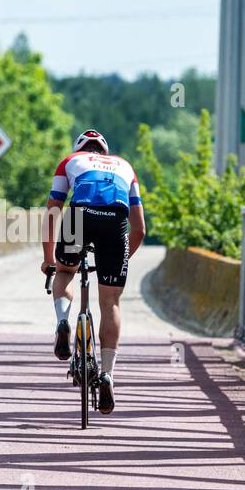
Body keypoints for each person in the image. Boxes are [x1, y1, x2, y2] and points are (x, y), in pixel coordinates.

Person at [41, 129, 145, 414]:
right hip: (115, 220)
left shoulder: (70, 161)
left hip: (80, 214)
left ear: (81, 148)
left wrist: (48, 258)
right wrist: (121, 259)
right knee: (110, 301)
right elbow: (140, 229)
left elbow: (54, 209)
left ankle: (63, 321)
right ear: (104, 150)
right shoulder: (125, 167)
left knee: (65, 271)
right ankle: (108, 373)